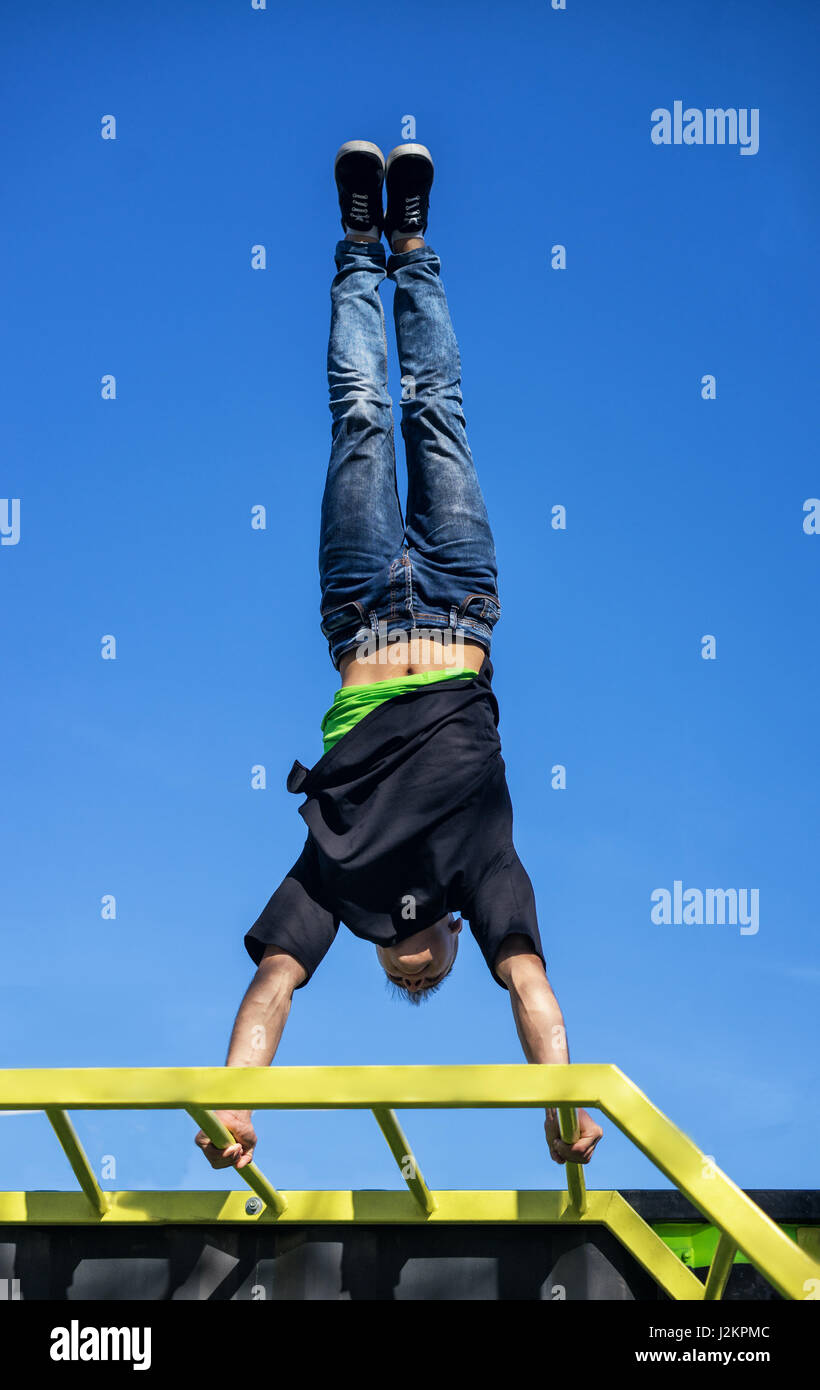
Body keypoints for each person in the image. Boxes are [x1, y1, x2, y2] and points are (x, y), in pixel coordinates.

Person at [196, 141, 603, 1174]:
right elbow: (533, 988)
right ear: (458, 940)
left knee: (364, 418)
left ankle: (355, 246)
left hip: (359, 608)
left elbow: (273, 985)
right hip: (462, 599)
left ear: (380, 946)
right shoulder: (483, 874)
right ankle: (411, 246)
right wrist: (561, 1099)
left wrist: (236, 1105)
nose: (419, 972)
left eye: (402, 981)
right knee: (435, 410)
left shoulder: (340, 886)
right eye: (433, 980)